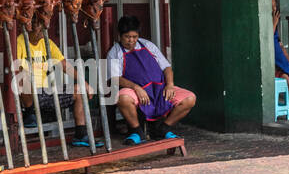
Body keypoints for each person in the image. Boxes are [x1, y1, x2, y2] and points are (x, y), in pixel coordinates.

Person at [107, 15, 196, 144]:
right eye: (127, 37)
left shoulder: (148, 45)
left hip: (160, 89)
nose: (131, 41)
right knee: (123, 98)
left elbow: (166, 67)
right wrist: (136, 88)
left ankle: (163, 129)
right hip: (136, 91)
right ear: (120, 35)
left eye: (134, 37)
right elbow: (115, 78)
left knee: (190, 98)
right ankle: (136, 131)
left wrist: (170, 85)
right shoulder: (114, 52)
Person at [14, 17, 101, 148]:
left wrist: (84, 82)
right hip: (27, 95)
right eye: (38, 28)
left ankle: (80, 134)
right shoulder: (19, 42)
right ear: (28, 27)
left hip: (45, 92)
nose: (42, 32)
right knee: (24, 74)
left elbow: (64, 65)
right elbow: (16, 71)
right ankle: (29, 113)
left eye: (43, 29)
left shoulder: (46, 42)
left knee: (79, 90)